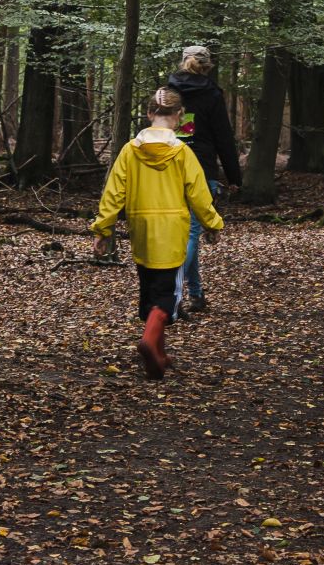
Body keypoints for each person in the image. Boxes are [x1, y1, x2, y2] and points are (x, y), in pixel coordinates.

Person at [92, 85, 225, 379]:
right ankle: (149, 341)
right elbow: (199, 194)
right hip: (172, 233)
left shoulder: (130, 151)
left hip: (141, 230)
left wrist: (103, 228)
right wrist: (212, 223)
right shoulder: (182, 152)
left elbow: (113, 192)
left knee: (150, 290)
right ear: (179, 116)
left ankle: (159, 355)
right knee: (168, 297)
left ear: (149, 113)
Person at [163, 45, 241, 317]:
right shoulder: (212, 94)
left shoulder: (168, 92)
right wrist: (234, 176)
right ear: (207, 67)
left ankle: (195, 294)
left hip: (169, 167)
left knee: (186, 234)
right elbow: (223, 136)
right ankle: (172, 295)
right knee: (191, 234)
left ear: (183, 62)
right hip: (202, 169)